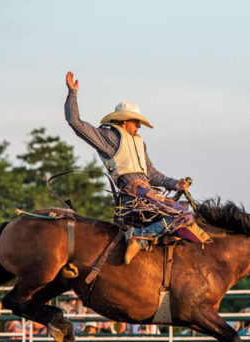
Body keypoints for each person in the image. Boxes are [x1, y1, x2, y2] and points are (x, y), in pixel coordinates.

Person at [64, 71, 210, 264]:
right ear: (124, 121)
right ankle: (138, 236)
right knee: (183, 215)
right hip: (134, 197)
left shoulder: (139, 142)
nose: (139, 127)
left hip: (148, 195)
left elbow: (152, 174)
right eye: (136, 122)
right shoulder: (109, 137)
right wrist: (72, 94)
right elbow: (75, 123)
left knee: (190, 225)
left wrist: (175, 184)